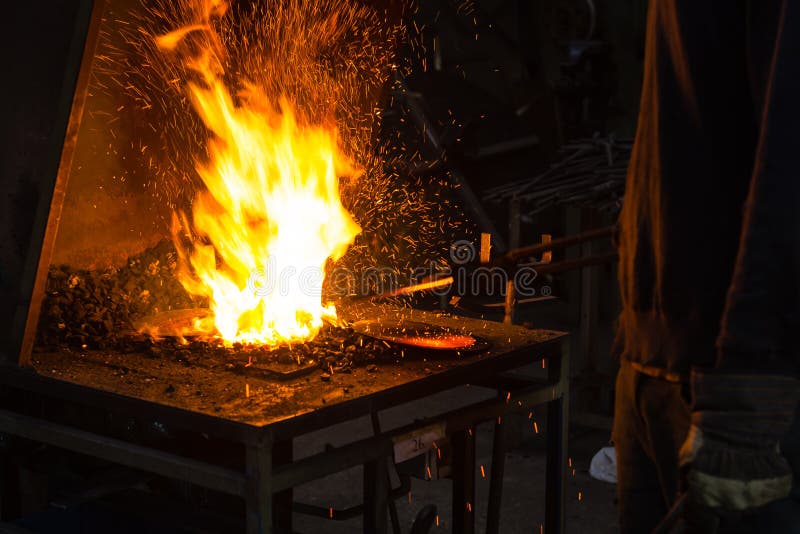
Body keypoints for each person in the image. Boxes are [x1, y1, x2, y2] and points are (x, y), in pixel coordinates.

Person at [612, 1, 800, 532]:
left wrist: (748, 394)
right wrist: (635, 331)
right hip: (652, 365)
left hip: (738, 390)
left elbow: (790, 165)